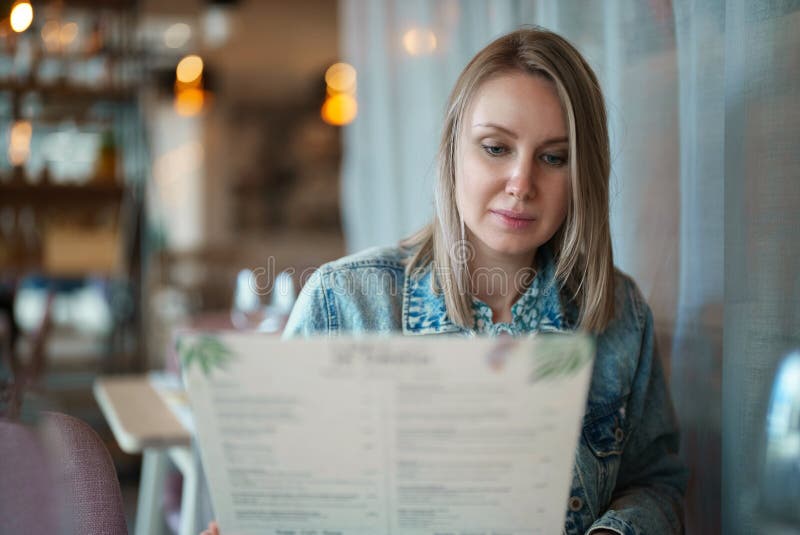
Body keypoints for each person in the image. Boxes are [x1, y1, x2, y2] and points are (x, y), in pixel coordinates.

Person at [202, 27, 687, 535]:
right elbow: (283, 505)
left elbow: (656, 482)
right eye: (496, 148)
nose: (521, 183)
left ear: (581, 173)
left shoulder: (620, 311)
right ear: (454, 151)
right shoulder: (342, 303)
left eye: (553, 157)